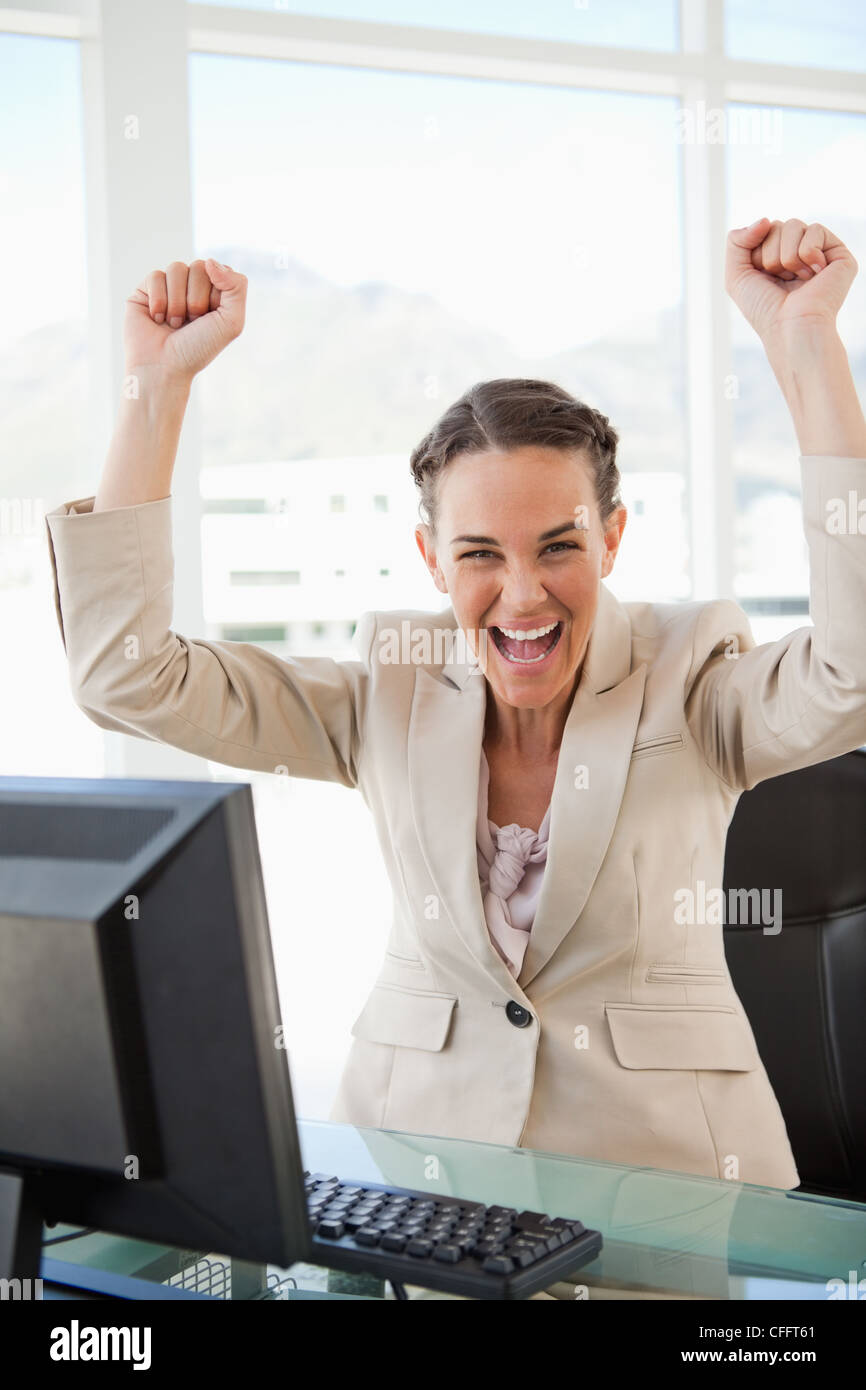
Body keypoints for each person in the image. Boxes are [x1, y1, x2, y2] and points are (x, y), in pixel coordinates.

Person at [44, 218, 866, 1191]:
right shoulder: (389, 685)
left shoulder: (690, 671)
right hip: (415, 1191)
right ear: (433, 558)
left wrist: (807, 352)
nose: (521, 594)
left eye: (556, 546)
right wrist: (156, 389)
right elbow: (128, 676)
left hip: (667, 1204)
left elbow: (846, 676)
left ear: (609, 539)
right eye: (480, 553)